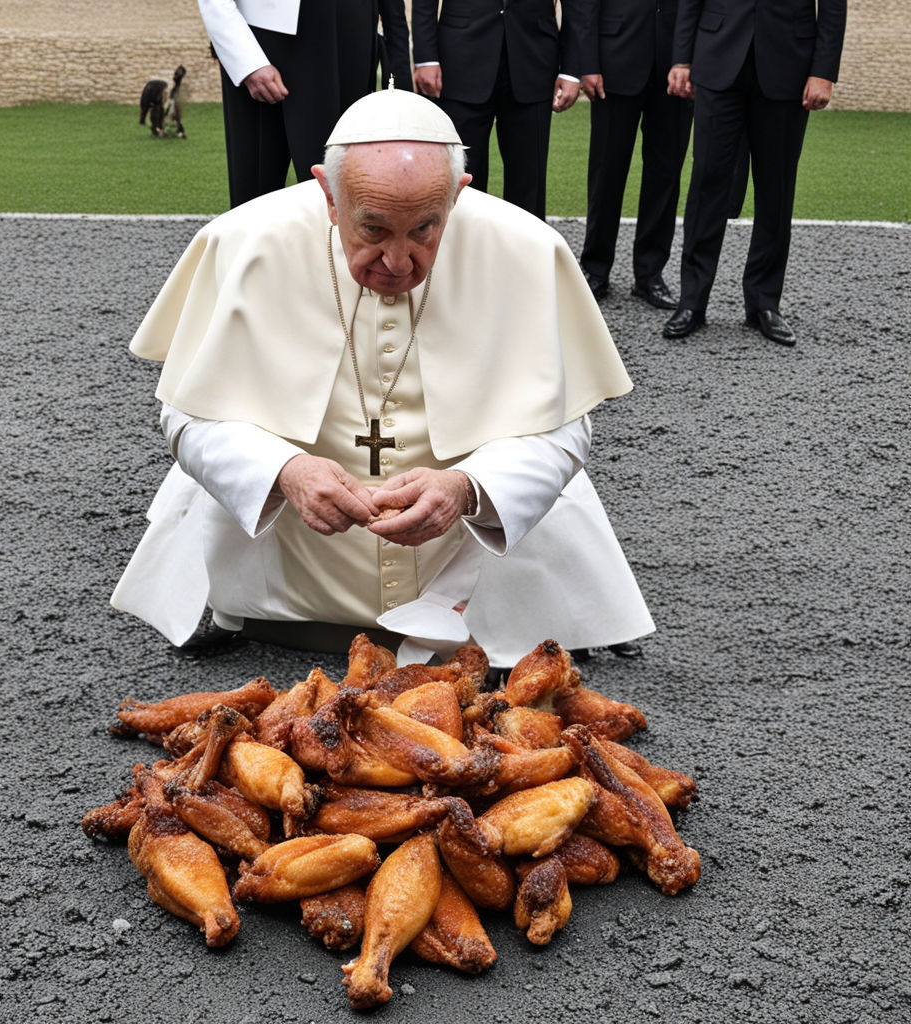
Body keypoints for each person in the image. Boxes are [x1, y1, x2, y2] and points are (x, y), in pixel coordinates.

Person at [111, 87, 654, 668]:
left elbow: (566, 430)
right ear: (327, 193)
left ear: (458, 194)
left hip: (478, 582)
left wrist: (467, 487)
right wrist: (283, 471)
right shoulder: (245, 244)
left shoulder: (526, 249)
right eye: (372, 230)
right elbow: (187, 413)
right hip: (289, 577)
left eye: (426, 228)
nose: (398, 262)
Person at [662, 0, 846, 346]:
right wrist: (682, 58)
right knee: (706, 183)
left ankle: (764, 303)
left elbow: (834, 6)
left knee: (776, 188)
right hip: (717, 57)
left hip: (788, 62)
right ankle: (692, 301)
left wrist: (823, 71)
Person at [199, 0, 411, 208]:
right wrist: (247, 61)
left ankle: (336, 244)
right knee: (255, 200)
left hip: (351, 34)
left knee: (343, 194)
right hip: (265, 41)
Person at [568, 0, 693, 309]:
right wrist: (587, 62)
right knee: (606, 170)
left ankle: (650, 273)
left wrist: (693, 60)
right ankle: (595, 268)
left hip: (676, 67)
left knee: (665, 174)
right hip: (614, 59)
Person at [409, 0, 578, 219]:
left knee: (529, 183)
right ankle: (461, 251)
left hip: (534, 57)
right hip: (460, 60)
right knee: (462, 179)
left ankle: (525, 253)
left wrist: (572, 69)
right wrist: (425, 58)